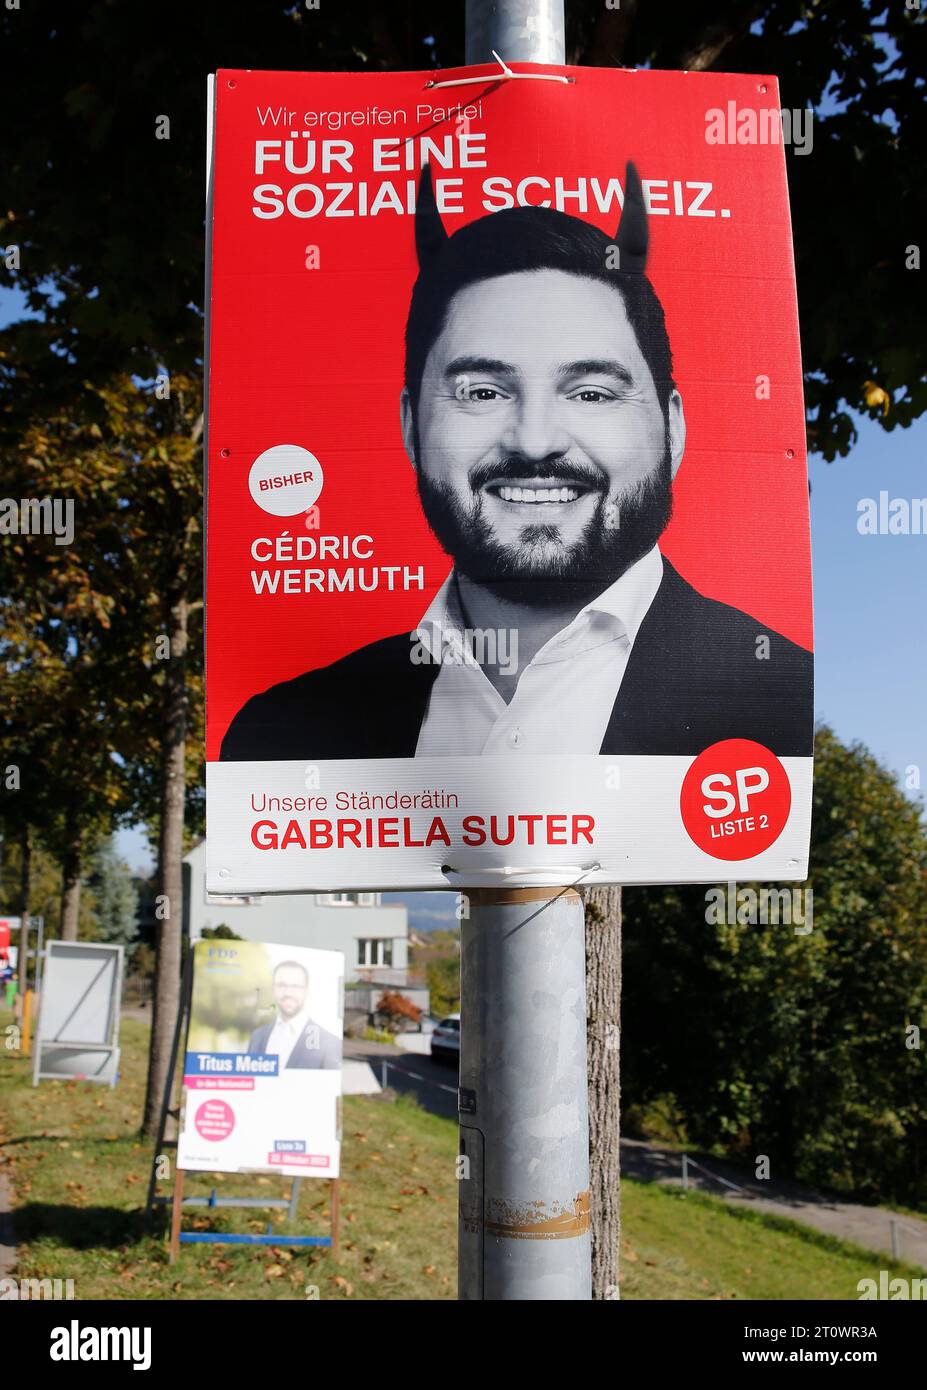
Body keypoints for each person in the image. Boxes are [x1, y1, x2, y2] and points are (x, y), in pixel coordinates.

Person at [221, 163, 812, 761]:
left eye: (592, 394)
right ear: (409, 427)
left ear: (673, 428)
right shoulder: (282, 735)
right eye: (482, 393)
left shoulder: (785, 700)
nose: (534, 442)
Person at [247, 959, 341, 1070]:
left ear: (306, 991)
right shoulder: (257, 1037)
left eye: (296, 986)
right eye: (282, 985)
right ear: (273, 988)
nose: (288, 993)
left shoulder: (329, 1042)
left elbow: (329, 1085)